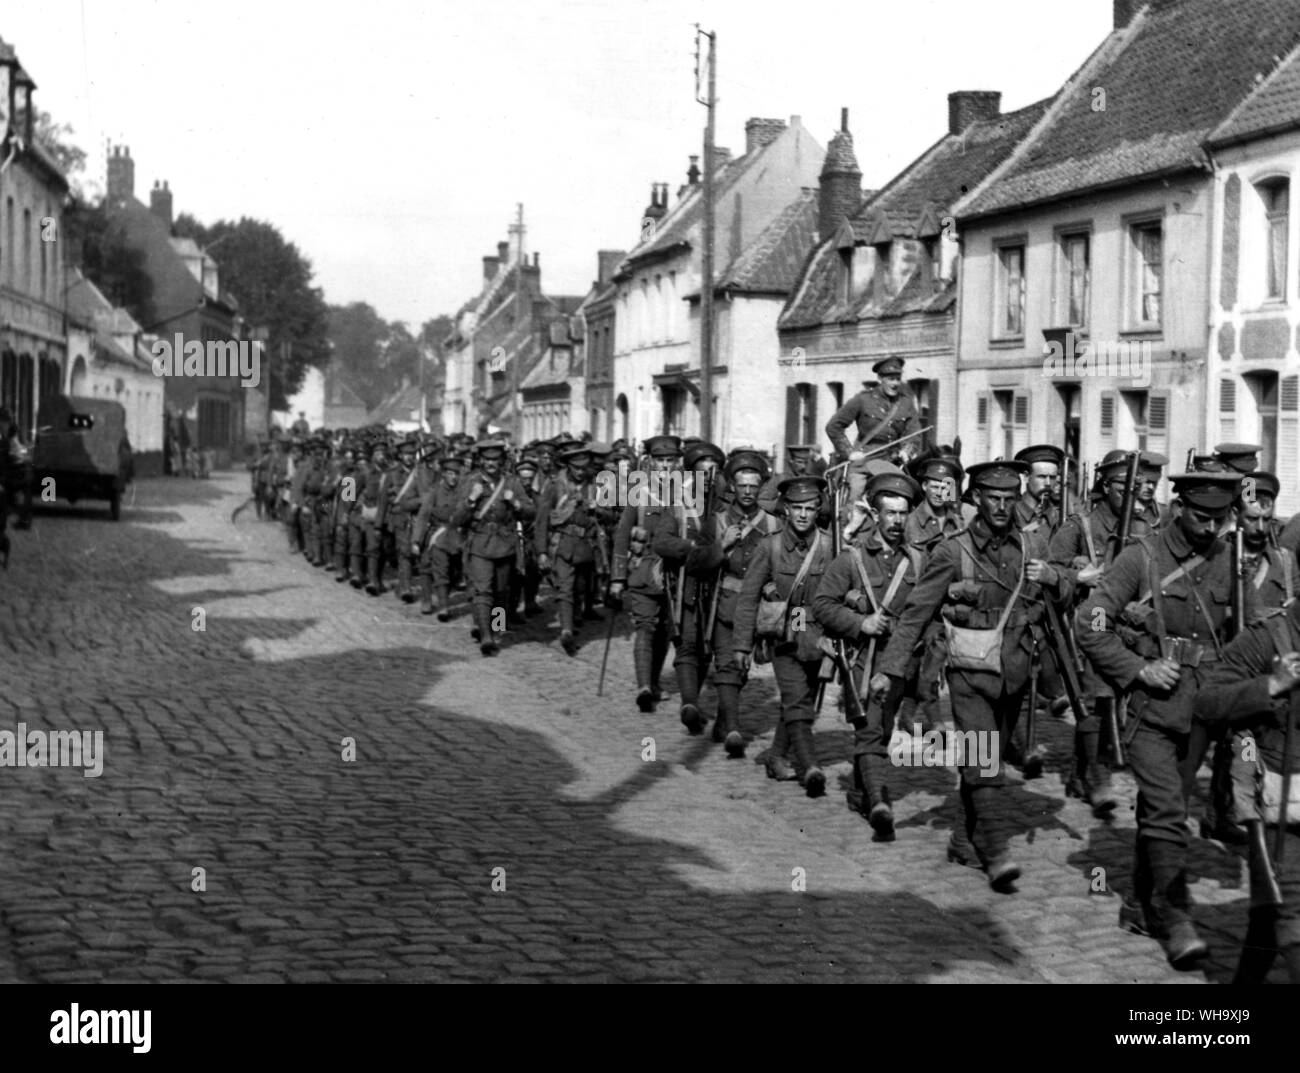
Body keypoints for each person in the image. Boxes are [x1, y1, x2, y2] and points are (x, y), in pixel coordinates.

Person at [871, 460, 1071, 891]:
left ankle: (962, 839)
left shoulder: (1031, 547)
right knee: (983, 760)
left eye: (1009, 499)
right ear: (975, 499)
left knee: (987, 759)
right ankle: (995, 850)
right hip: (968, 673)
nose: (1001, 507)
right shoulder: (952, 551)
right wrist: (890, 669)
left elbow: (1065, 591)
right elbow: (916, 612)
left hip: (1016, 671)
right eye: (992, 499)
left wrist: (1055, 578)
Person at [1075, 471, 1245, 968]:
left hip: (1203, 710)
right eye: (1201, 517)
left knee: (1156, 812)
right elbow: (1092, 621)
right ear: (1179, 506)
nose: (1212, 528)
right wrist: (1137, 669)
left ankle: (1139, 905)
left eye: (1221, 518)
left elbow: (1249, 630)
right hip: (1151, 708)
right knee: (1170, 810)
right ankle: (1177, 917)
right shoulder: (1142, 556)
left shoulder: (1230, 560)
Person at [1194, 588, 1300, 984]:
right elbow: (1207, 702)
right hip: (1279, 798)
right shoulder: (1267, 636)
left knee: (1268, 912)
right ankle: (987, 810)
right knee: (1291, 908)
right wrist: (1272, 685)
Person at [813, 469, 923, 838]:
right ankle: (879, 802)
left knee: (883, 729)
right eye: (890, 513)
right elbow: (822, 605)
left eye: (902, 513)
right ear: (875, 515)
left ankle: (861, 791)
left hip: (899, 662)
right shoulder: (852, 560)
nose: (896, 521)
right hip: (861, 661)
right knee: (870, 731)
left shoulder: (918, 562)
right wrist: (861, 624)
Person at [734, 476, 836, 795]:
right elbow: (748, 596)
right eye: (797, 508)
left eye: (810, 508)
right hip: (785, 632)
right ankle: (811, 767)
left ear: (818, 510)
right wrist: (741, 645)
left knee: (802, 701)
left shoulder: (831, 546)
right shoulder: (771, 545)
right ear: (786, 510)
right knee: (796, 700)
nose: (804, 515)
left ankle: (777, 757)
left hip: (820, 634)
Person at [652, 441, 729, 735]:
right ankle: (689, 702)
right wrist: (690, 547)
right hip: (686, 584)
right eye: (703, 472)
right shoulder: (679, 507)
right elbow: (661, 542)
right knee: (686, 643)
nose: (710, 478)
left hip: (718, 586)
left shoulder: (726, 508)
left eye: (714, 472)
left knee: (706, 647)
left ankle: (692, 703)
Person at [609, 436, 681, 713]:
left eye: (670, 460)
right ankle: (644, 687)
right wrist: (617, 579)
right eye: (660, 460)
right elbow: (622, 536)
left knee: (664, 631)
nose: (665, 465)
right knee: (645, 626)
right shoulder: (638, 492)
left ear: (677, 462)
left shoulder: (686, 492)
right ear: (650, 461)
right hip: (643, 571)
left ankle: (654, 681)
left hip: (675, 574)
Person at [451, 438, 535, 656]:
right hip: (480, 542)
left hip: (505, 543)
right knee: (483, 590)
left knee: (501, 592)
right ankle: (486, 637)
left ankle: (497, 630)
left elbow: (530, 511)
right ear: (480, 460)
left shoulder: (512, 482)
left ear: (502, 461)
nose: (491, 463)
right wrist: (471, 500)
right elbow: (456, 519)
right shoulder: (470, 482)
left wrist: (516, 503)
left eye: (495, 459)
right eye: (487, 459)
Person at [824, 356, 923, 505]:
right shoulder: (863, 400)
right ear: (880, 378)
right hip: (863, 461)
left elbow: (914, 434)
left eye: (897, 379)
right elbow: (833, 426)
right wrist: (849, 452)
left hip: (892, 461)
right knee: (855, 497)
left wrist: (907, 451)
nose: (895, 383)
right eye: (890, 379)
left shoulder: (906, 403)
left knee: (908, 495)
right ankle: (848, 525)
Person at [536, 443, 603, 655]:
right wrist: (542, 552)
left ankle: (571, 621)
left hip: (585, 546)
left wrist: (597, 508)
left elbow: (611, 516)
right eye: (576, 468)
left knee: (578, 588)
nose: (581, 472)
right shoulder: (555, 486)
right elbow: (541, 519)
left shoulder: (596, 486)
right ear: (568, 467)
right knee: (494, 591)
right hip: (562, 544)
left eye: (584, 468)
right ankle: (493, 629)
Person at [412, 451, 464, 620]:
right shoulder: (435, 492)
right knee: (434, 569)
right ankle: (440, 606)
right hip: (438, 536)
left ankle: (441, 598)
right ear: (443, 474)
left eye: (456, 473)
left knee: (455, 573)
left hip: (457, 537)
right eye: (450, 473)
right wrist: (416, 540)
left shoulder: (463, 492)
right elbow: (423, 516)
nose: (453, 477)